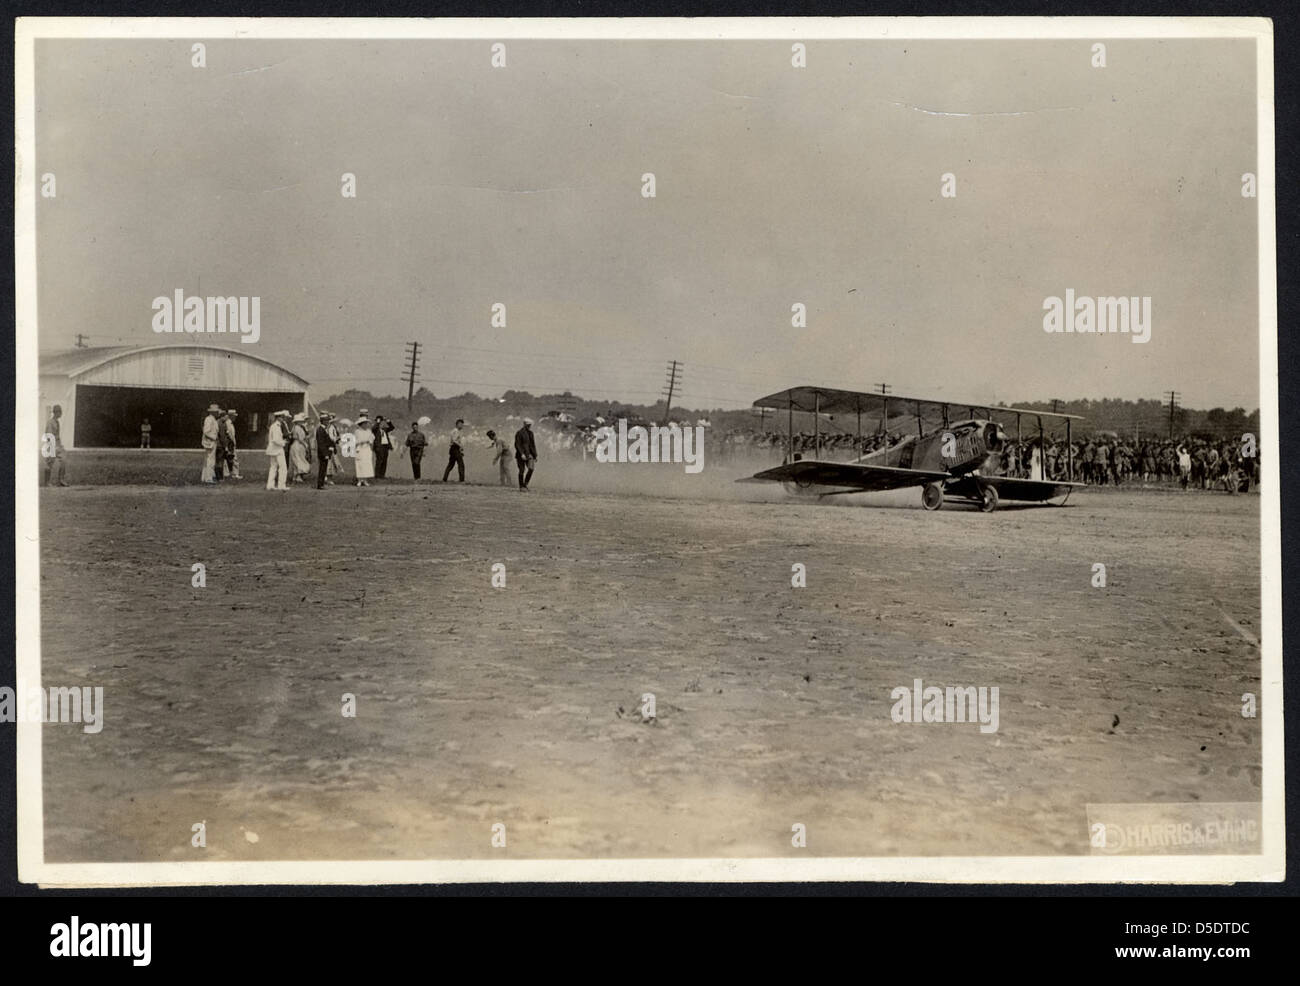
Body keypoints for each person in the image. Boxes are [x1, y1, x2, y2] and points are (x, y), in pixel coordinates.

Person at [43, 404, 69, 487]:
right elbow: (49, 436)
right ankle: (47, 482)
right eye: (60, 412)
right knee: (49, 464)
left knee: (64, 460)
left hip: (58, 445)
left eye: (61, 412)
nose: (61, 414)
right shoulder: (50, 422)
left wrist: (60, 445)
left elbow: (57, 435)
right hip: (51, 445)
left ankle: (61, 480)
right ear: (56, 412)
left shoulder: (57, 422)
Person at [265, 410, 289, 490]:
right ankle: (281, 485)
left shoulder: (274, 426)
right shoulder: (276, 426)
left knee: (273, 467)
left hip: (273, 449)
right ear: (278, 418)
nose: (283, 419)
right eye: (282, 417)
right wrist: (283, 443)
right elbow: (276, 439)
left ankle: (270, 485)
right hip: (277, 449)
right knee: (283, 468)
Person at [200, 403, 222, 483]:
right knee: (210, 460)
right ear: (213, 412)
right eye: (216, 412)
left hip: (211, 442)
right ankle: (208, 478)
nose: (218, 413)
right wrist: (214, 437)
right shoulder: (209, 419)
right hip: (210, 443)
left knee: (208, 460)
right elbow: (206, 431)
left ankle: (205, 477)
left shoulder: (213, 419)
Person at [514, 418, 538, 490]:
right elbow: (517, 444)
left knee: (531, 469)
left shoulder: (531, 433)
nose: (529, 426)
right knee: (521, 470)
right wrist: (521, 454)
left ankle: (525, 484)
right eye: (528, 425)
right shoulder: (519, 433)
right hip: (520, 455)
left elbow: (532, 445)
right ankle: (521, 486)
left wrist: (535, 455)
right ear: (525, 425)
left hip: (529, 454)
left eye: (530, 425)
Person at [315, 413, 337, 489]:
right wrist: (325, 454)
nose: (328, 422)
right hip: (323, 453)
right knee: (322, 469)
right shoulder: (320, 430)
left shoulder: (323, 429)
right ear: (323, 421)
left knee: (323, 469)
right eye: (326, 420)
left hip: (325, 452)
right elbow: (321, 443)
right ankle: (320, 485)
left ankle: (321, 484)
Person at [353, 415, 375, 487]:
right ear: (361, 424)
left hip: (367, 449)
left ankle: (365, 480)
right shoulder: (357, 431)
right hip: (360, 449)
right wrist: (361, 441)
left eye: (366, 423)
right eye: (364, 423)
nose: (366, 425)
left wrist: (369, 441)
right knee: (360, 464)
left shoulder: (369, 431)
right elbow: (355, 441)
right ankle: (359, 480)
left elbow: (372, 438)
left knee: (366, 464)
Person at [442, 418, 467, 482]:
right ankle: (462, 480)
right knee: (461, 464)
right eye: (461, 424)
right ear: (457, 424)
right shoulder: (455, 431)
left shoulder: (456, 431)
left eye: (462, 424)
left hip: (454, 449)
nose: (462, 426)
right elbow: (454, 440)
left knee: (451, 464)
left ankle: (444, 478)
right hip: (455, 448)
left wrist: (460, 448)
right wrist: (460, 446)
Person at [290, 412, 311, 483]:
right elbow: (300, 439)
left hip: (297, 445)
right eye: (301, 421)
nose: (302, 422)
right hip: (298, 445)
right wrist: (305, 445)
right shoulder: (298, 428)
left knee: (298, 459)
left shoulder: (296, 428)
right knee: (299, 459)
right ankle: (298, 476)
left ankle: (295, 476)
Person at [224, 409, 242, 479]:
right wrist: (232, 443)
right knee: (234, 458)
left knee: (230, 458)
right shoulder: (228, 423)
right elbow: (228, 434)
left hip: (231, 443)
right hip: (230, 443)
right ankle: (234, 474)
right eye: (234, 416)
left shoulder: (230, 423)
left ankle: (229, 473)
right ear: (231, 416)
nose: (235, 418)